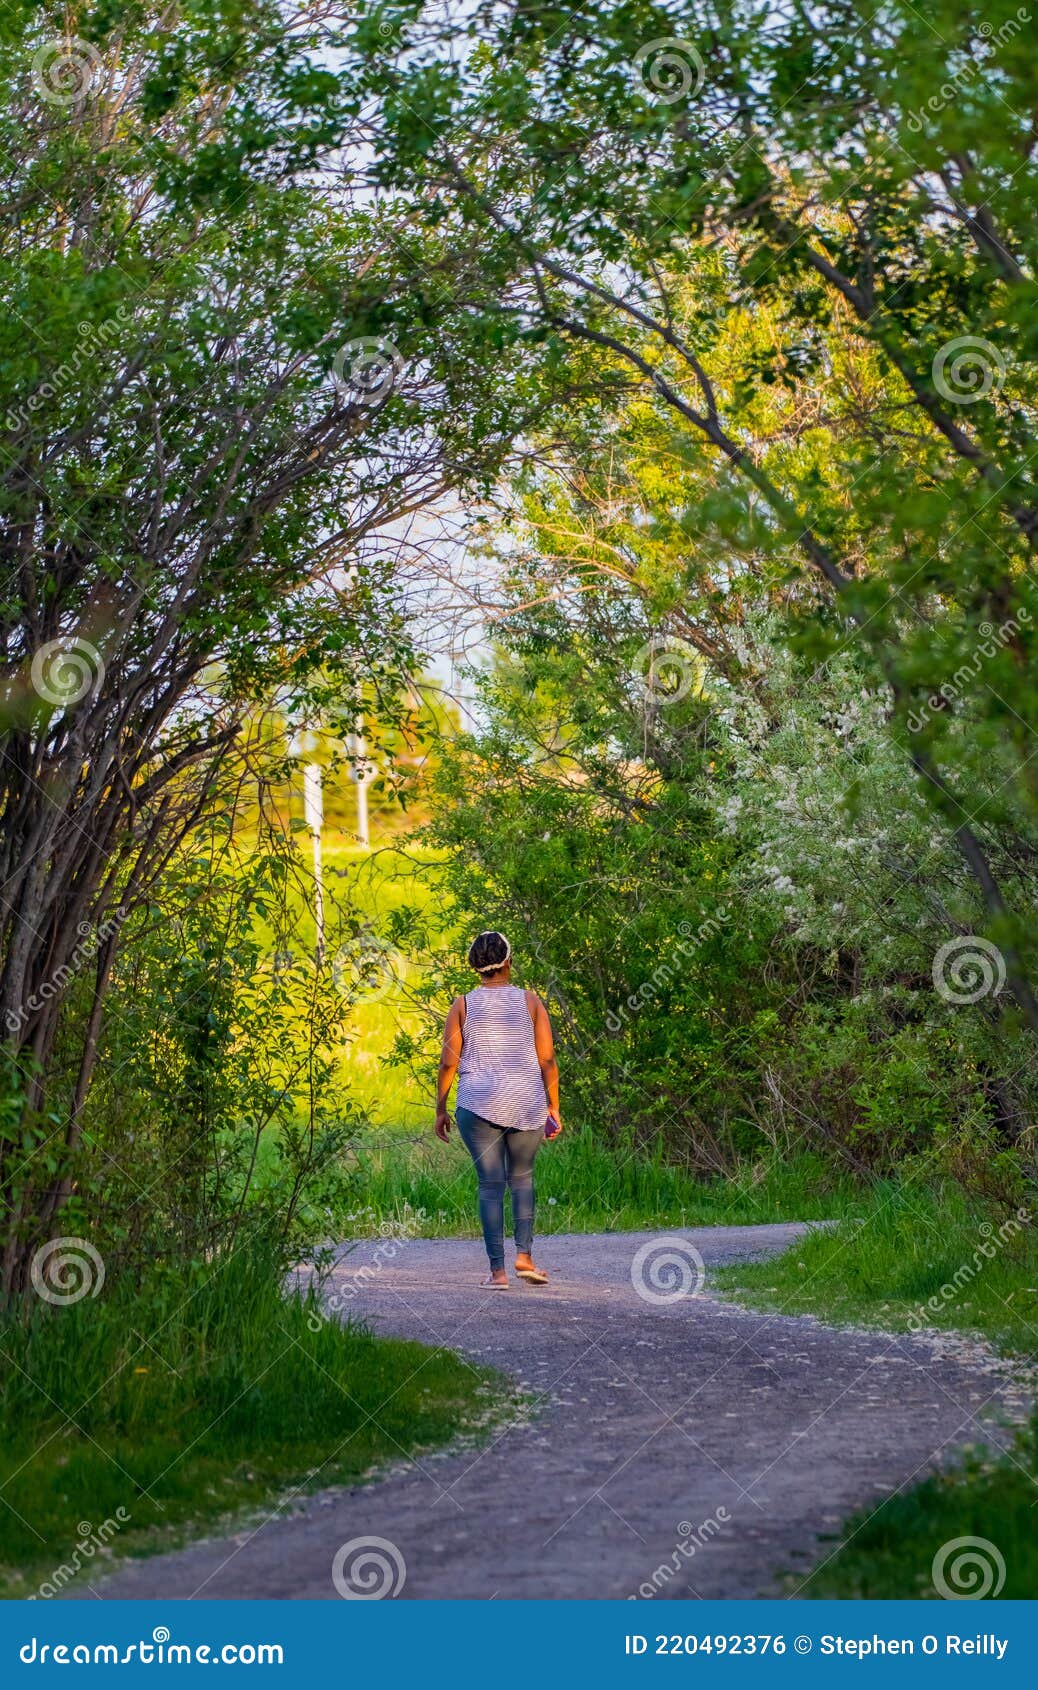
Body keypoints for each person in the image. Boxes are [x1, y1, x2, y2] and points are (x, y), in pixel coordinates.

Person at [435, 930, 561, 1288]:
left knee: (490, 1186)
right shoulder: (531, 1001)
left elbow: (448, 1063)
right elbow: (547, 1060)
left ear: (476, 965)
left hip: (477, 1103)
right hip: (526, 1102)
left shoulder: (462, 1005)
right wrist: (554, 1105)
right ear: (508, 961)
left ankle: (498, 1273)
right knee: (522, 1179)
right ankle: (525, 1256)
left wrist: (440, 1109)